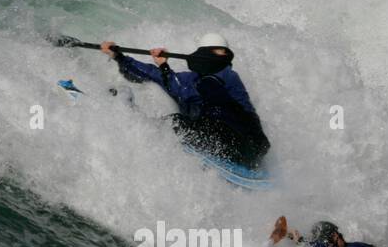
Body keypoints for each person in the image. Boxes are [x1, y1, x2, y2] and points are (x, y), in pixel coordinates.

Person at [99, 33, 270, 169]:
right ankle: (125, 112)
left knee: (176, 121)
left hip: (246, 142)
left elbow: (187, 86)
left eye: (224, 53)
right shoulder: (189, 79)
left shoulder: (228, 76)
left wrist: (164, 69)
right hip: (231, 144)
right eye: (217, 51)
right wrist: (119, 57)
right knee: (175, 121)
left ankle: (128, 116)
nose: (222, 56)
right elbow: (151, 74)